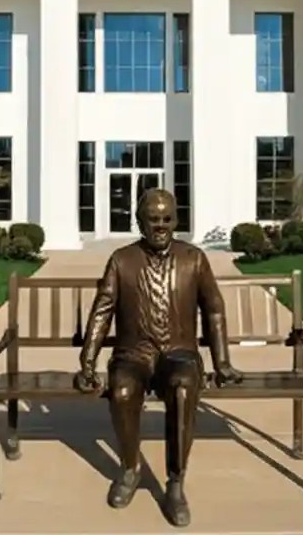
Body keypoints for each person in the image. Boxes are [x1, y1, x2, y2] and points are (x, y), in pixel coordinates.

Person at [74, 188, 243, 526]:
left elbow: (214, 311)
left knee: (182, 390)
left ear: (177, 220)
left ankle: (175, 483)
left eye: (167, 219)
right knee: (121, 392)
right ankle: (130, 468)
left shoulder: (194, 258)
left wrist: (222, 361)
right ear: (140, 222)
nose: (161, 225)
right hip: (133, 354)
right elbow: (102, 310)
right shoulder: (122, 260)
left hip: (179, 354)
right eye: (153, 219)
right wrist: (88, 361)